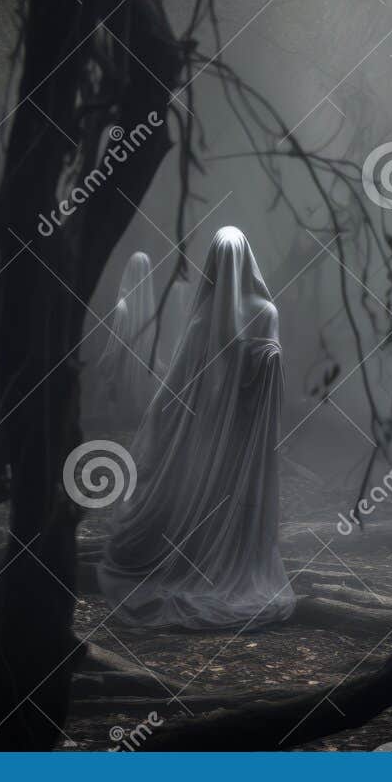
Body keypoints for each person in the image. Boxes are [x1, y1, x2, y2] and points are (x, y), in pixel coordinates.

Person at [98, 226, 293, 629]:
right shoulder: (260, 313)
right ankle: (213, 561)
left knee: (212, 495)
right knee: (222, 497)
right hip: (234, 436)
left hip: (223, 434)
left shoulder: (205, 319)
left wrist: (165, 424)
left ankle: (204, 560)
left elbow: (176, 391)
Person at [98, 251, 160, 419]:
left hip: (128, 375)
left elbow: (116, 343)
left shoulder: (128, 306)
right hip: (130, 376)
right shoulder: (144, 308)